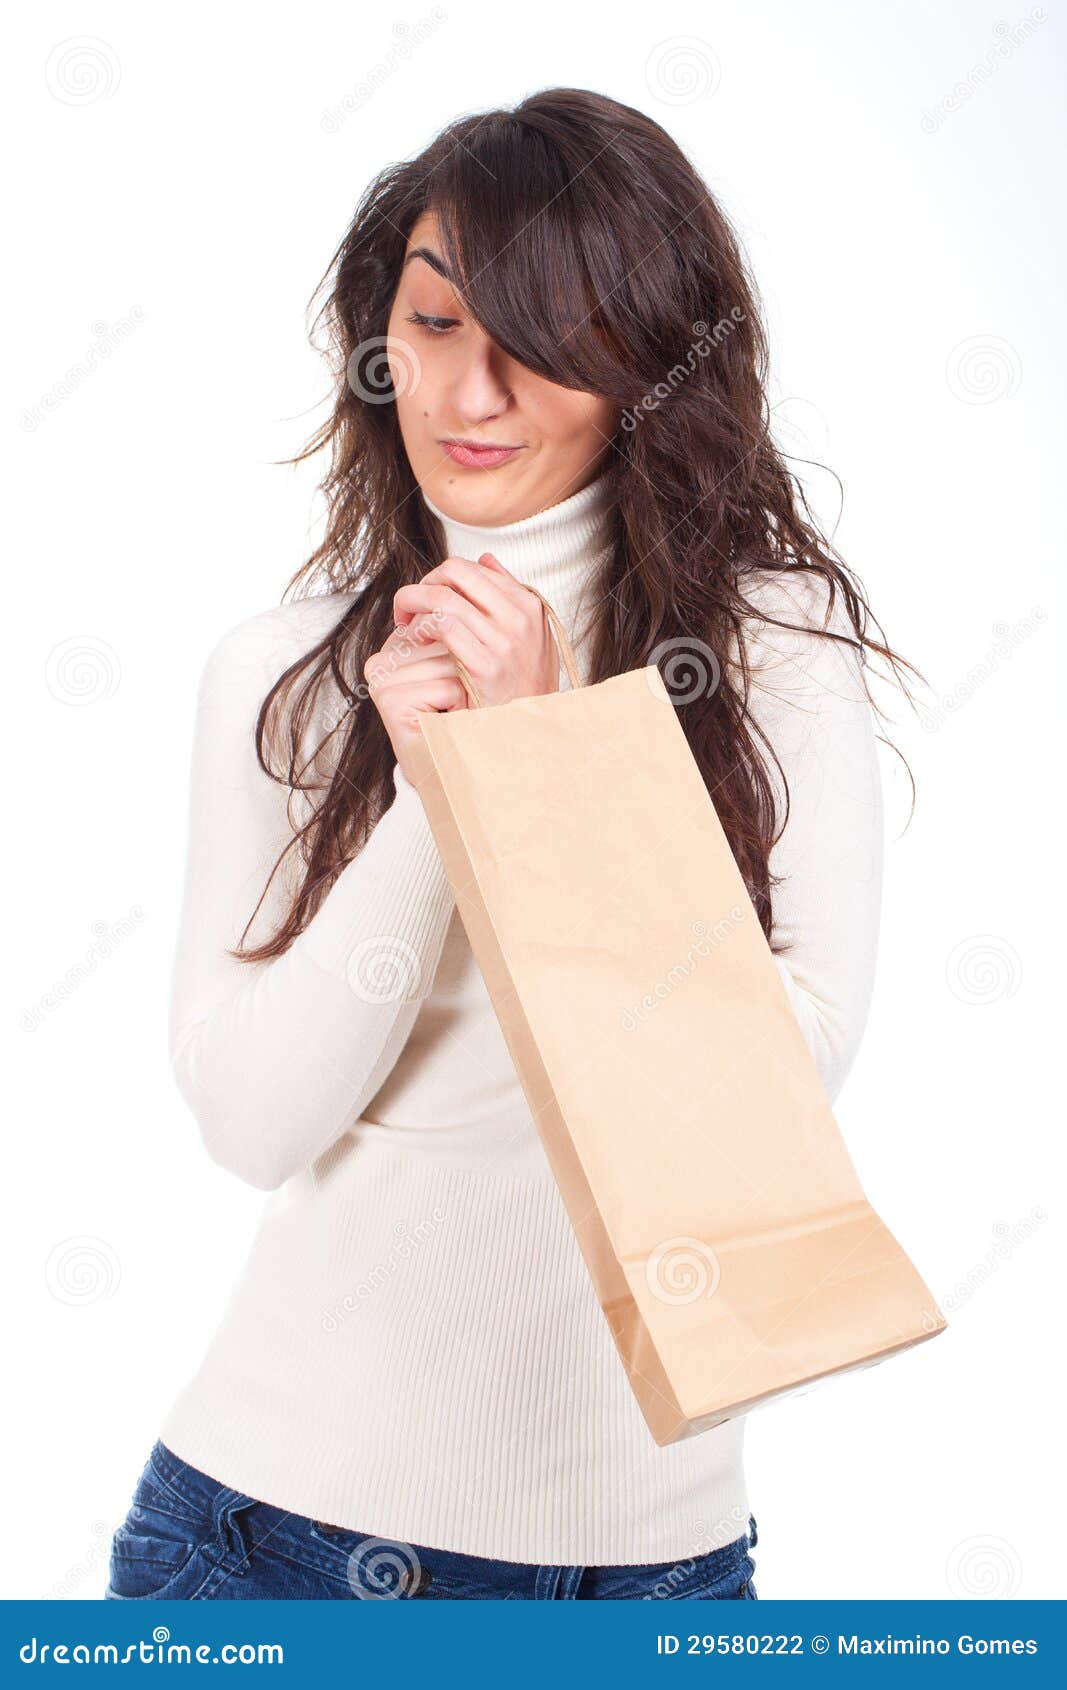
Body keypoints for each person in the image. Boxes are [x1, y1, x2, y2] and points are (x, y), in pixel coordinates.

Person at [105, 87, 904, 1601]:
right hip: (273, 1543)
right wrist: (432, 794)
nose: (469, 394)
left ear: (647, 359)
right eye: (432, 322)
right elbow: (253, 1122)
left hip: (655, 1575)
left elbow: (771, 1100)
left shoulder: (770, 652)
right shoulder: (287, 673)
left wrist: (539, 764)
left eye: (543, 333)